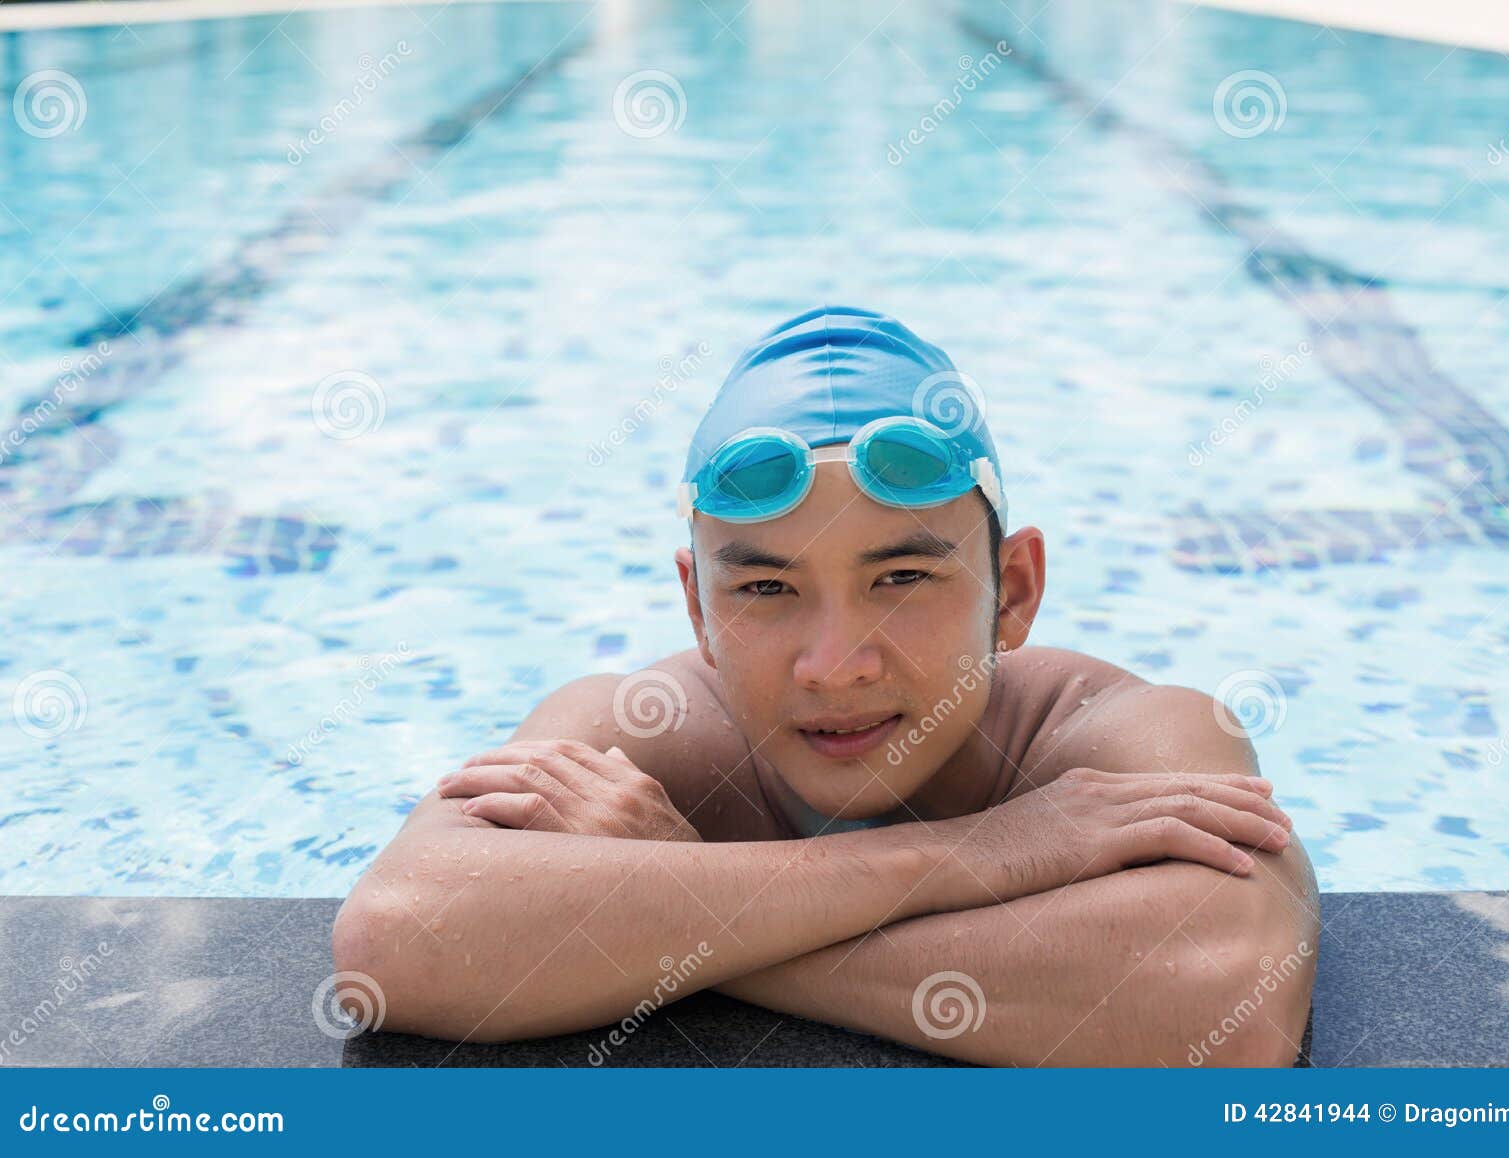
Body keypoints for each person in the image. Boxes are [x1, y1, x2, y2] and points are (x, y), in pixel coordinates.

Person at [333, 305, 1318, 1066]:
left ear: (1012, 591)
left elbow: (1220, 1001)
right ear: (696, 608)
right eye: (765, 587)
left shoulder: (1119, 732)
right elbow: (398, 936)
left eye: (901, 579)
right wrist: (978, 854)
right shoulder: (642, 731)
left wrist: (679, 924)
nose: (834, 663)